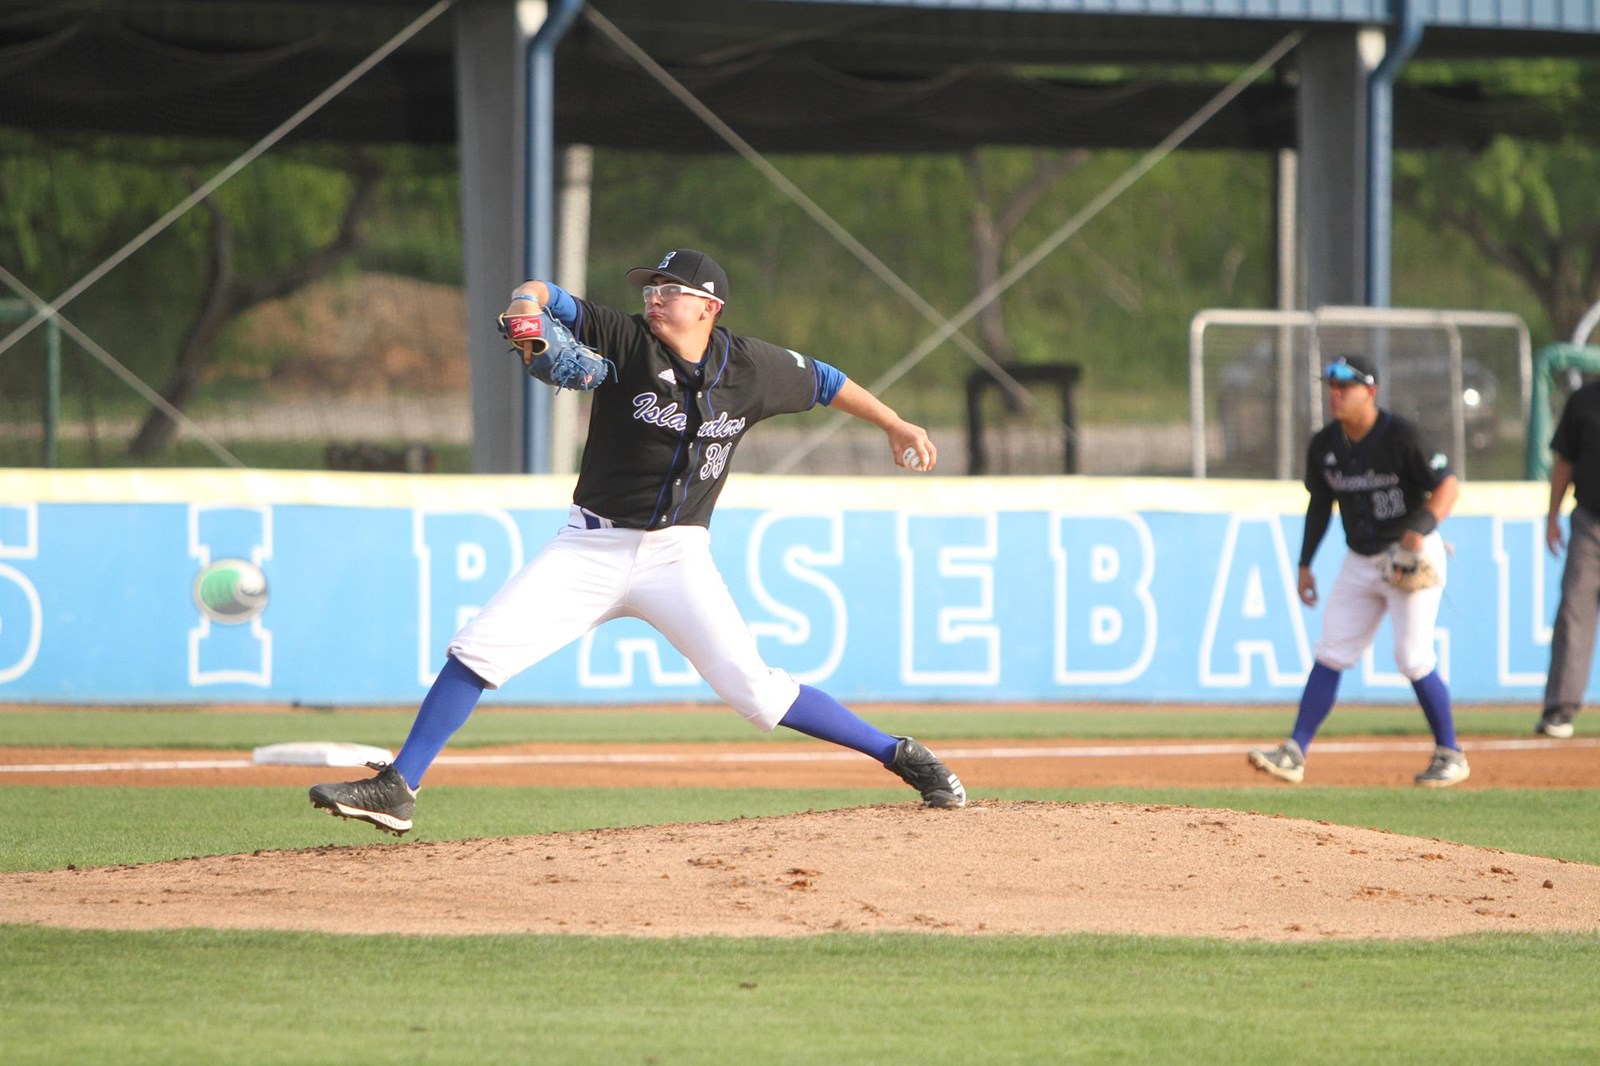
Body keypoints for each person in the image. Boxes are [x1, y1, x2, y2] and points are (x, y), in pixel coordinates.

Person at [309, 248, 966, 834]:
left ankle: (900, 754)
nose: (654, 297)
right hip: (589, 548)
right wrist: (523, 310)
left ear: (709, 306)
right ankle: (399, 787)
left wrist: (895, 423)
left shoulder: (753, 368)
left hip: (678, 558)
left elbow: (824, 380)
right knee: (479, 648)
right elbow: (540, 291)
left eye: (669, 289)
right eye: (650, 287)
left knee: (758, 693)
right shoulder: (626, 340)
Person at [1247, 355, 1467, 787]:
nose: (1335, 393)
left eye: (1345, 385)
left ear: (1371, 391)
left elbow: (1448, 484)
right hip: (1360, 558)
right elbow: (1319, 504)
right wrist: (1305, 563)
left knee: (1412, 656)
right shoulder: (1325, 444)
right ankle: (1294, 752)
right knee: (1331, 651)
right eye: (1331, 384)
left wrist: (1420, 530)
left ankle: (1451, 753)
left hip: (1410, 555)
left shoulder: (1401, 435)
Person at [1535, 377, 1600, 739]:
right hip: (1590, 522)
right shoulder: (1585, 400)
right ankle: (1560, 709)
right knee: (1574, 612)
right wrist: (1552, 515)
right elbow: (1564, 459)